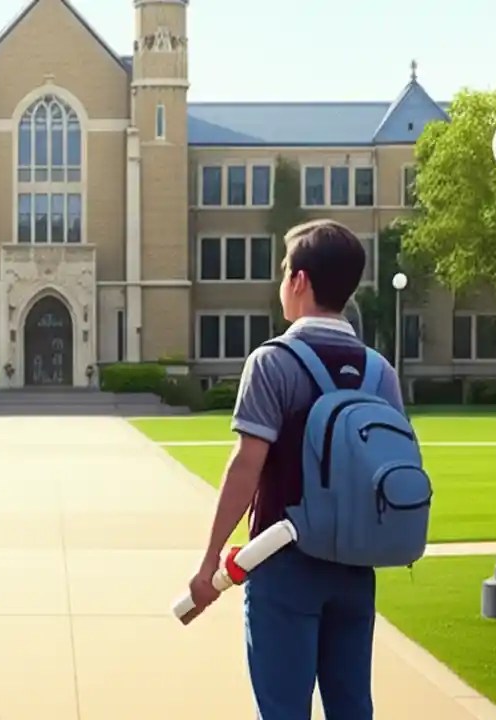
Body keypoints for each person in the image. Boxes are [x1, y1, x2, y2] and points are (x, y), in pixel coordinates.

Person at [186, 219, 404, 719]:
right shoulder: (379, 371)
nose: (282, 280)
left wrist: (208, 563)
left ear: (300, 281)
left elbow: (246, 466)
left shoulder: (273, 362)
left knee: (283, 711)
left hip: (283, 565)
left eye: (285, 270)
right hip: (354, 568)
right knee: (352, 708)